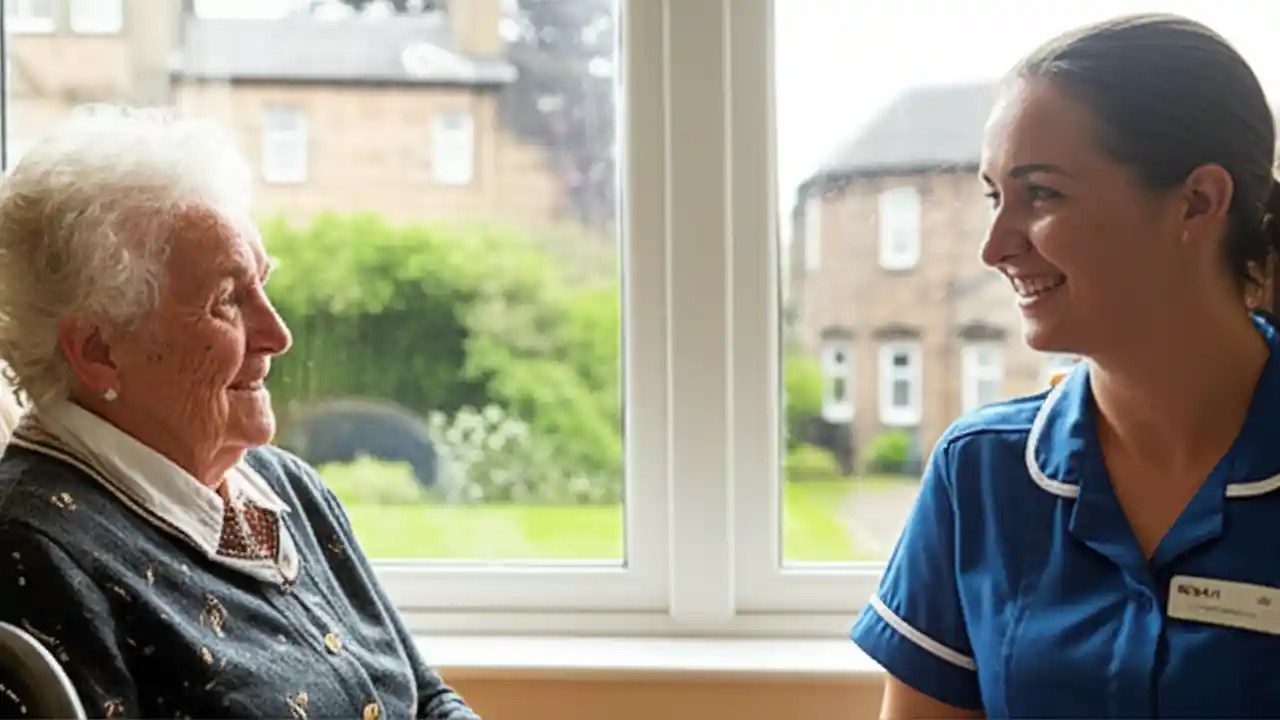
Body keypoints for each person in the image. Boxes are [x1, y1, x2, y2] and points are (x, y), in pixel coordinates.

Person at [851, 13, 1280, 718]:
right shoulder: (979, 475)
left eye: (1041, 194)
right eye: (995, 197)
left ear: (1197, 202)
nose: (994, 246)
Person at [0, 109, 480, 719]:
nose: (277, 334)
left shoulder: (284, 488)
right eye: (227, 300)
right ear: (98, 350)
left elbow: (426, 697)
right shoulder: (32, 554)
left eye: (262, 284)